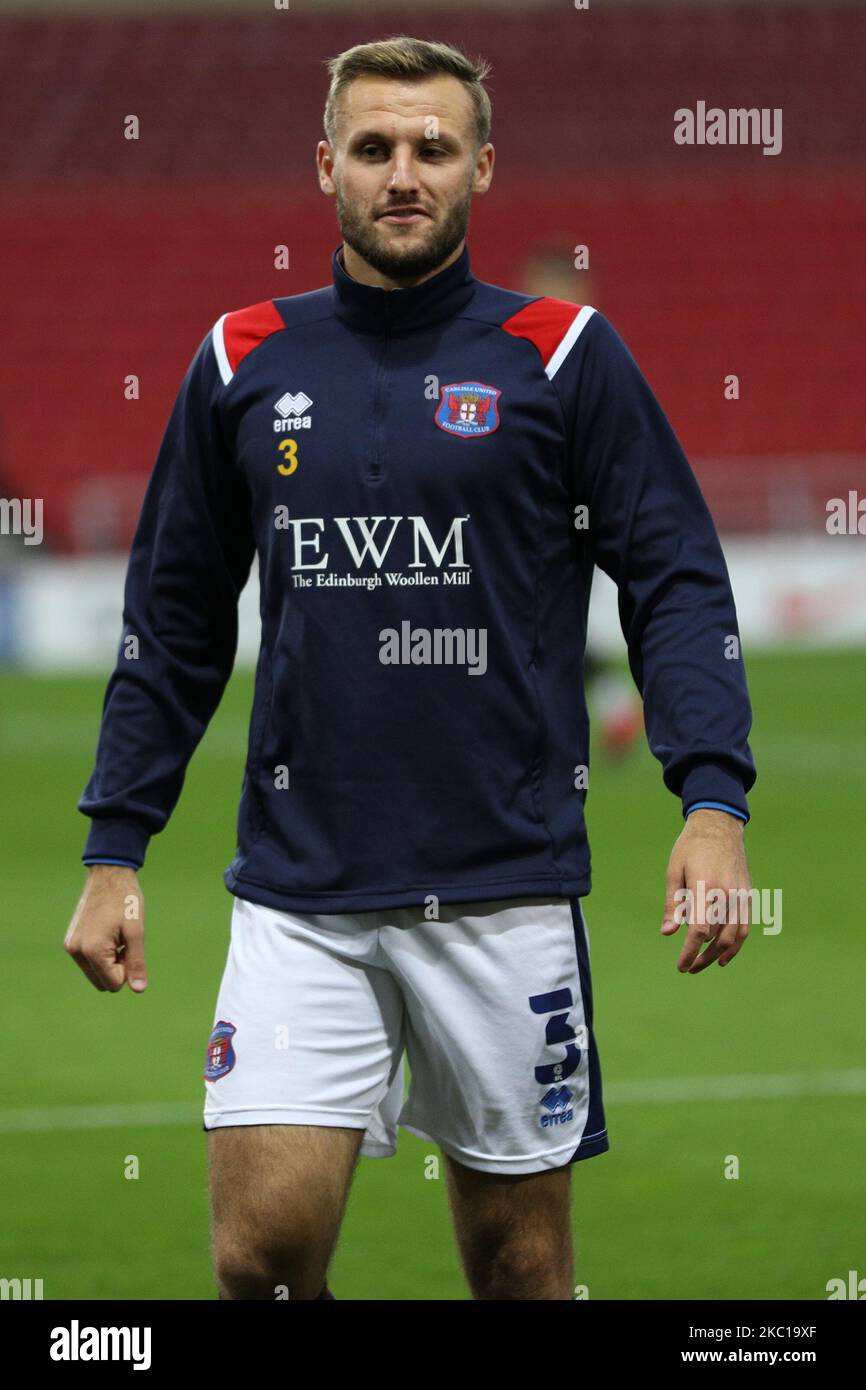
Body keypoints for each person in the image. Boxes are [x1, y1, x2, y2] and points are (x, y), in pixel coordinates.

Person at [65, 36, 756, 1301]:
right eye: (373, 147)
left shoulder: (562, 353)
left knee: (519, 1269)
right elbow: (171, 619)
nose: (402, 173)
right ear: (324, 163)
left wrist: (710, 801)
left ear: (479, 166)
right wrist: (116, 847)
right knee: (258, 1263)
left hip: (503, 891)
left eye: (431, 148)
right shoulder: (239, 357)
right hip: (298, 891)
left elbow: (674, 579)